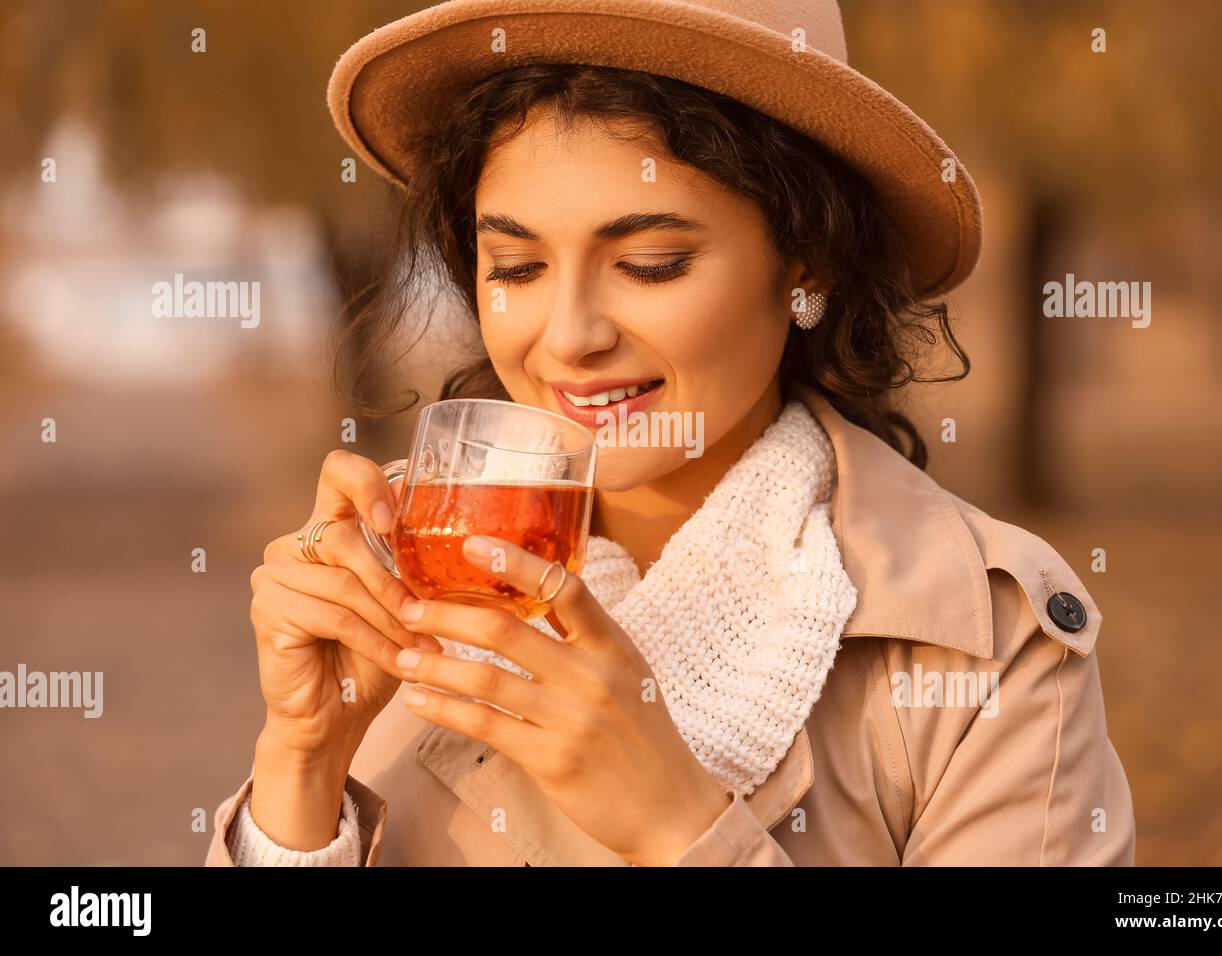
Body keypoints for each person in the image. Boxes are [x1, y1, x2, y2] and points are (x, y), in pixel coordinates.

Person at [206, 0, 1135, 866]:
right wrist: (302, 763)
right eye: (517, 266)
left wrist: (676, 824)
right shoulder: (413, 563)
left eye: (651, 264)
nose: (570, 336)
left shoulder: (980, 647)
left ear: (806, 264)